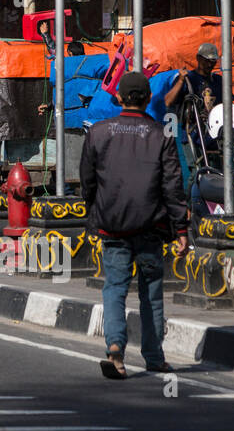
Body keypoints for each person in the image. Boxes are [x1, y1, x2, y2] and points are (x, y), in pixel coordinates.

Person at [80, 72, 190, 379]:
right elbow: (172, 185)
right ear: (147, 99)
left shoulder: (99, 132)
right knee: (151, 292)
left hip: (113, 225)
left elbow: (87, 182)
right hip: (150, 226)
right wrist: (181, 229)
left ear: (119, 98)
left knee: (114, 287)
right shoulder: (161, 135)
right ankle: (154, 357)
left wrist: (94, 210)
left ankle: (115, 346)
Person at [165, 42, 223, 112]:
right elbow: (168, 102)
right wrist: (180, 81)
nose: (209, 64)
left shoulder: (219, 80)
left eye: (213, 61)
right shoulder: (187, 79)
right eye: (206, 60)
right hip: (193, 121)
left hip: (216, 121)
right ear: (198, 58)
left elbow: (229, 106)